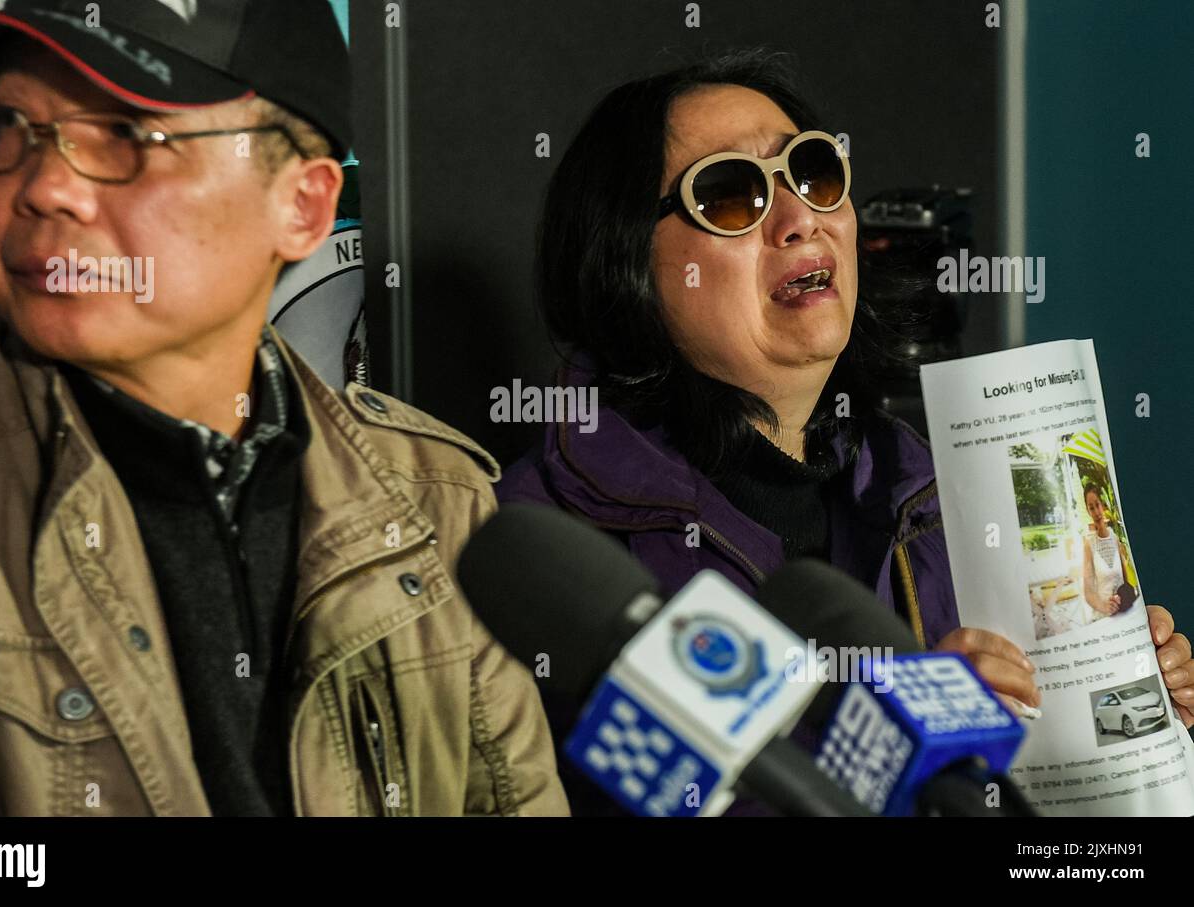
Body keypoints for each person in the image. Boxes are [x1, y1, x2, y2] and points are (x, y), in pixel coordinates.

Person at [0, 0, 566, 816]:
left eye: (125, 134)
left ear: (305, 207)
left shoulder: (437, 497)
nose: (44, 187)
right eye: (11, 123)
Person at [495, 48, 1194, 808]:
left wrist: (1133, 731)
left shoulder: (934, 497)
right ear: (624, 258)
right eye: (732, 195)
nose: (800, 219)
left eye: (814, 173)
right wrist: (874, 743)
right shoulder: (543, 543)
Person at [1081, 483, 1136, 618]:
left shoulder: (1115, 539)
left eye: (1097, 505)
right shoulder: (1089, 545)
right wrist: (1104, 606)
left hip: (1125, 611)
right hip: (1105, 615)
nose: (1096, 512)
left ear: (1103, 505)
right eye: (1091, 508)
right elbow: (1088, 592)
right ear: (1088, 511)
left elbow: (1126, 581)